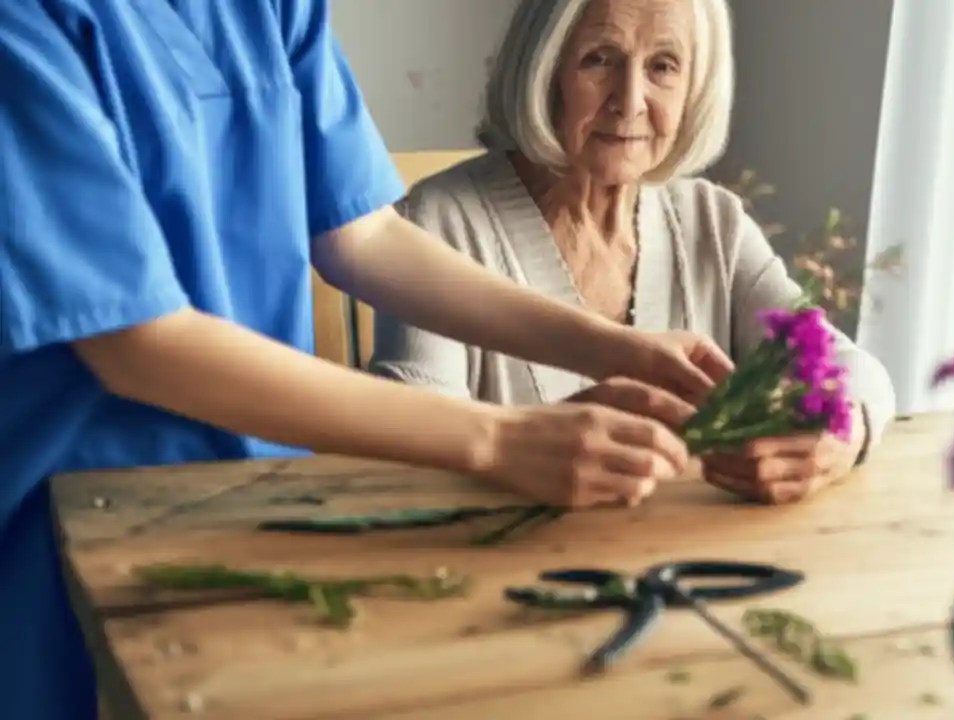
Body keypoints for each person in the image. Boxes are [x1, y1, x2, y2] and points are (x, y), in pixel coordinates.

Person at [0, 1, 734, 716]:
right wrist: (503, 437)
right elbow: (138, 345)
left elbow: (363, 237)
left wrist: (610, 345)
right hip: (68, 515)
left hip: (255, 501)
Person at [369, 0, 897, 506]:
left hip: (687, 559)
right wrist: (529, 444)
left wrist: (842, 430)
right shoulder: (438, 219)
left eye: (663, 66)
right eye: (599, 60)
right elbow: (411, 434)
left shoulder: (714, 221)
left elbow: (846, 364)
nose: (630, 100)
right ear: (544, 68)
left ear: (694, 88)